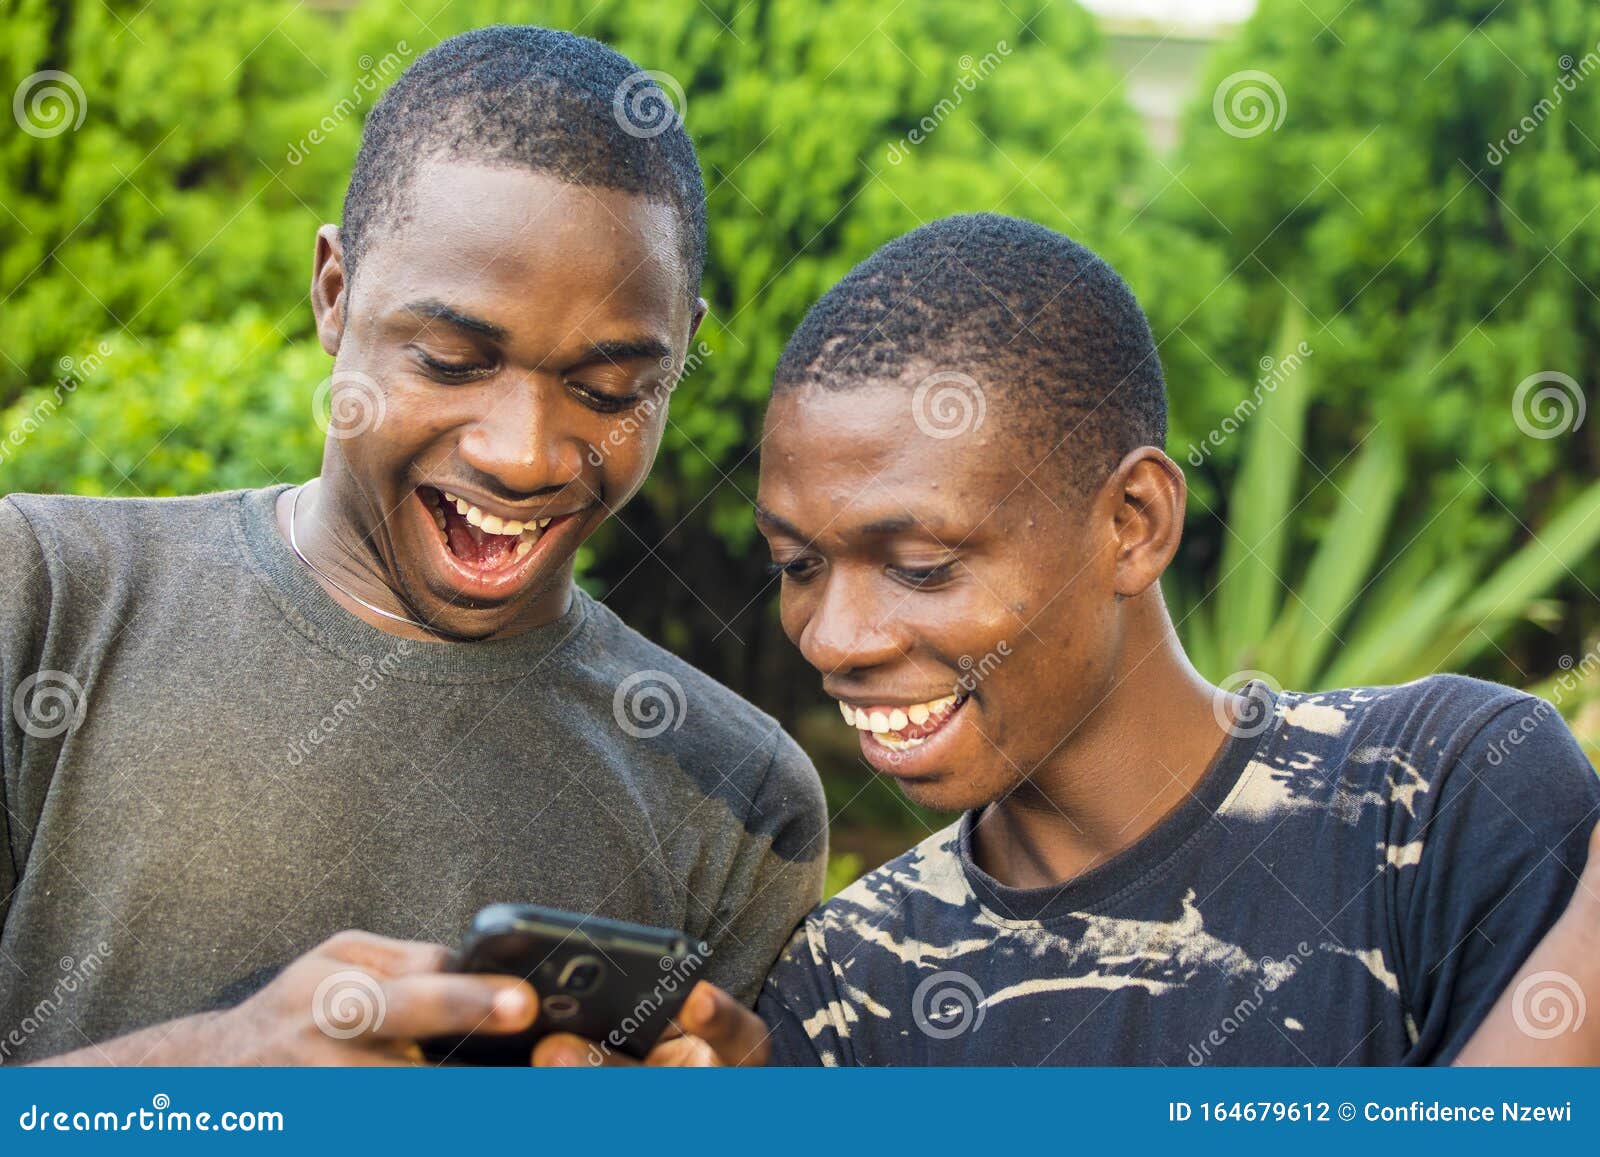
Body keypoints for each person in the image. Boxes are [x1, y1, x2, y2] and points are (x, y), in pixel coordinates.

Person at [531, 214, 1600, 1067]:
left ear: (1131, 521)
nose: (835, 636)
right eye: (797, 564)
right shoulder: (852, 985)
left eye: (920, 562)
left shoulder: (1438, 793)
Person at [0, 26, 825, 1066]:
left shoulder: (738, 797)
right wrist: (222, 1065)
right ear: (334, 293)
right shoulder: (41, 595)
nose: (524, 455)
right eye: (449, 360)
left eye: (609, 390)